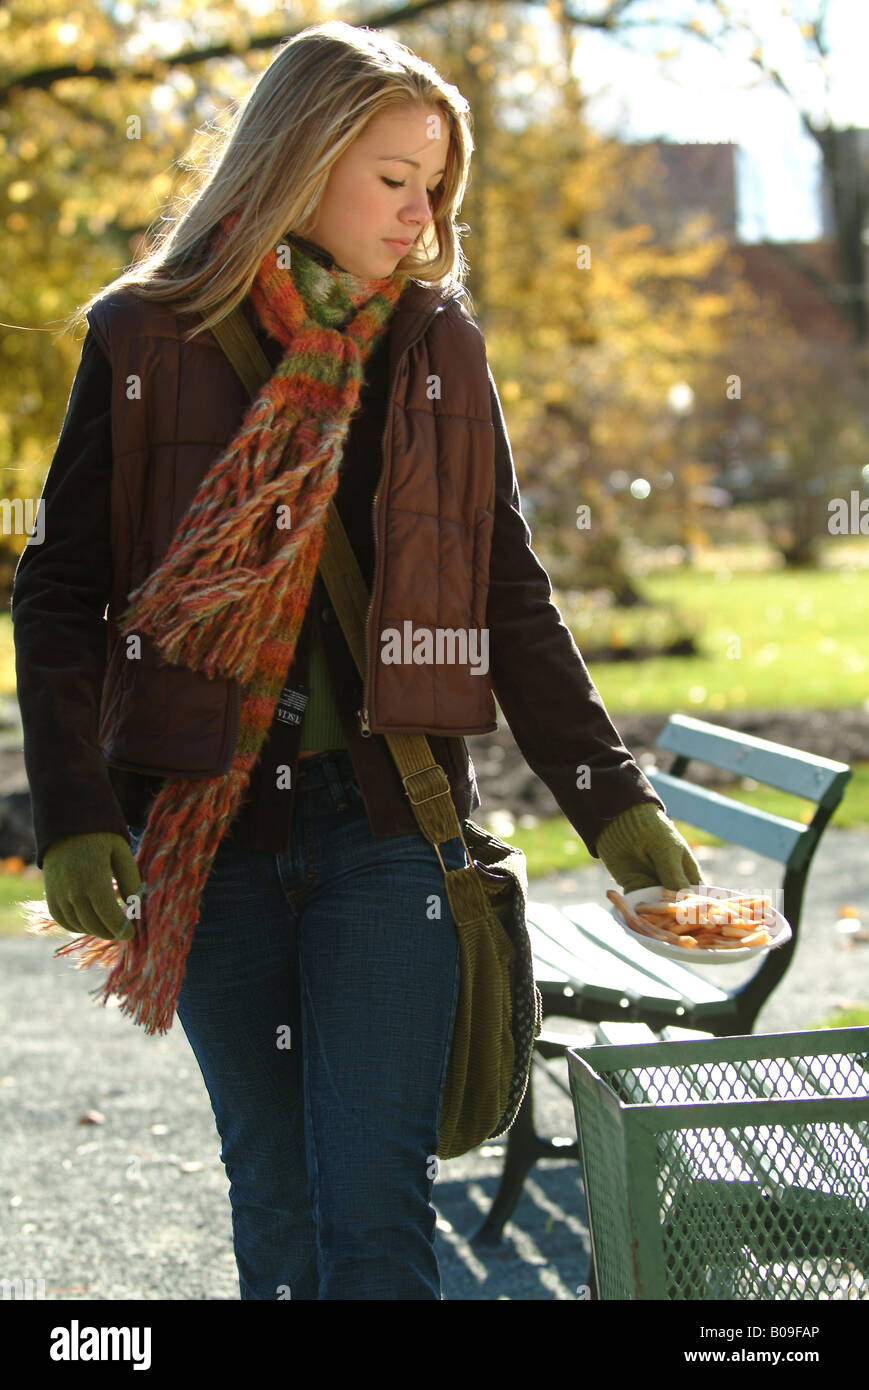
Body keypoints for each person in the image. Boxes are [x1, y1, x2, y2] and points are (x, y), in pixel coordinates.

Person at [11, 20, 701, 1301]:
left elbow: (506, 593)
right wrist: (73, 809)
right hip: (202, 835)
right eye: (394, 178)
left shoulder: (436, 347)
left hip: (389, 833)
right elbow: (58, 589)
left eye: (435, 184)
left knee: (373, 1215)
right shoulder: (141, 338)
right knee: (273, 1205)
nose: (421, 210)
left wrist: (610, 800)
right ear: (301, 158)